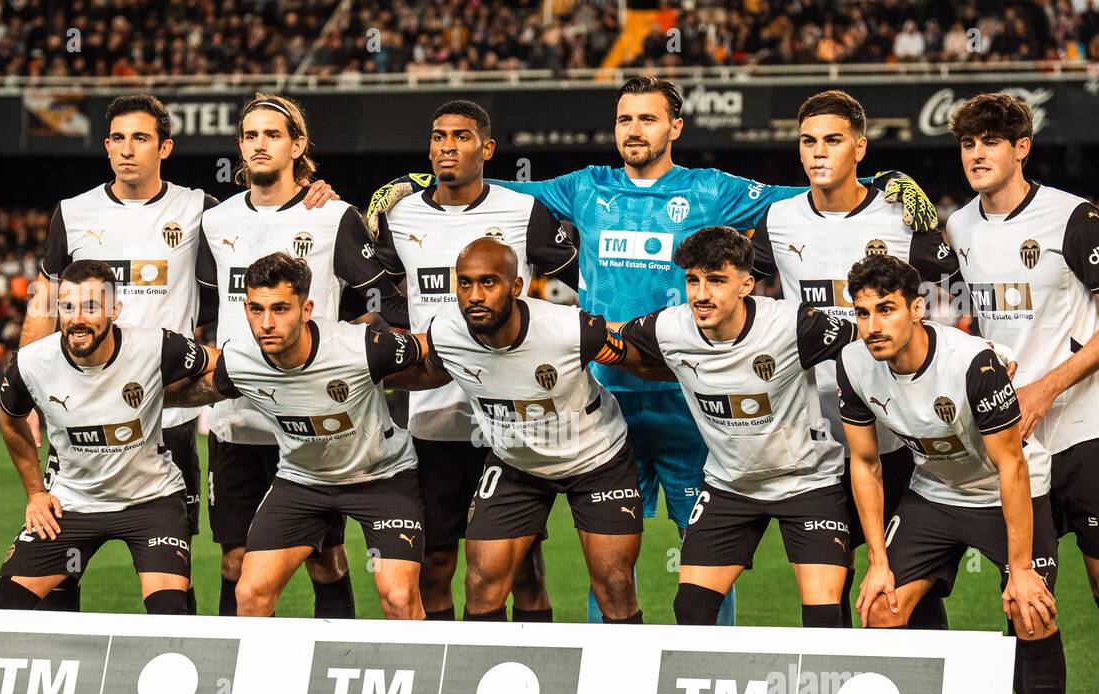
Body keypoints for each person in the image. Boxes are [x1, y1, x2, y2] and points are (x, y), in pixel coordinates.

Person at [368, 75, 937, 626]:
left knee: (709, 554)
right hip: (605, 404)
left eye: (647, 119)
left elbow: (812, 193)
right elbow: (496, 191)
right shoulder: (584, 186)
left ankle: (708, 667)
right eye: (624, 119)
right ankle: (611, 677)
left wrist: (883, 179)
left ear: (675, 128)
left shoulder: (714, 189)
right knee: (607, 562)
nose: (633, 129)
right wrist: (423, 182)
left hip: (694, 400)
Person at [25, 92, 335, 615]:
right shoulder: (73, 213)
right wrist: (32, 390)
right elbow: (43, 298)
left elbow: (263, 220)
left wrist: (312, 192)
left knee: (175, 556)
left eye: (141, 138)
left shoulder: (199, 211)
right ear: (105, 146)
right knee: (62, 551)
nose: (128, 150)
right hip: (78, 409)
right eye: (118, 138)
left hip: (168, 411)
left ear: (164, 147)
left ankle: (188, 659)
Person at [945, 93, 1099, 694]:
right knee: (1026, 593)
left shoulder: (1072, 217)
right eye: (968, 142)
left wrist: (1045, 387)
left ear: (1021, 147)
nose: (978, 153)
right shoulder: (957, 228)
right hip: (1014, 446)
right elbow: (963, 320)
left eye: (992, 141)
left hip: (1087, 429)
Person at [836, 254, 1070, 694]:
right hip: (933, 493)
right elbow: (865, 463)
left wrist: (1021, 569)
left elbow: (1011, 464)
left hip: (1008, 491)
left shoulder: (974, 364)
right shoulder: (852, 362)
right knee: (881, 610)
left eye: (887, 310)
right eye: (863, 312)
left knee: (1030, 613)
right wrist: (877, 561)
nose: (873, 326)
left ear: (917, 309)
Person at [749, 89, 956, 630]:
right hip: (816, 435)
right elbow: (745, 296)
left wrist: (928, 218)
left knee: (912, 584)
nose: (819, 152)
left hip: (896, 426)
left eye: (834, 140)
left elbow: (946, 286)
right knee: (827, 585)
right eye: (808, 141)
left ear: (860, 148)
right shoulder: (777, 220)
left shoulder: (898, 214)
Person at [196, 92, 407, 619]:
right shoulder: (216, 222)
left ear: (298, 144)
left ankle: (334, 669)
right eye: (249, 135)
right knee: (236, 560)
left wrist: (346, 357)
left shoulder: (333, 215)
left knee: (326, 558)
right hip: (239, 419)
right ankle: (236, 678)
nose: (259, 144)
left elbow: (380, 303)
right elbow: (206, 313)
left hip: (318, 422)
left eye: (272, 134)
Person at [370, 99, 579, 623]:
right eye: (439, 136)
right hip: (435, 418)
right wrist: (420, 326)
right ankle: (448, 672)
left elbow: (582, 284)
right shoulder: (402, 215)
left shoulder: (522, 211)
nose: (447, 146)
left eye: (462, 137)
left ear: (486, 148)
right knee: (436, 560)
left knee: (523, 563)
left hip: (511, 419)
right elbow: (374, 294)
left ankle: (531, 671)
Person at [601, 226, 853, 627]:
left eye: (717, 280)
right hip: (730, 486)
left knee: (825, 614)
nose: (701, 295)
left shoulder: (794, 324)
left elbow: (872, 344)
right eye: (693, 280)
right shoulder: (670, 327)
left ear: (747, 284)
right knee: (691, 608)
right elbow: (608, 336)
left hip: (808, 483)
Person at [168, 253, 437, 619]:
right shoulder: (243, 359)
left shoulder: (361, 346)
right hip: (301, 483)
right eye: (256, 309)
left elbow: (433, 352)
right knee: (249, 593)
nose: (266, 323)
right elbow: (195, 391)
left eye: (280, 309)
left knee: (399, 598)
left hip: (382, 479)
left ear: (306, 308)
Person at [404, 238, 643, 623]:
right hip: (516, 464)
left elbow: (641, 359)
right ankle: (484, 678)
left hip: (597, 459)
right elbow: (415, 369)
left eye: (488, 283)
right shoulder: (447, 333)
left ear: (516, 287)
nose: (474, 296)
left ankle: (626, 682)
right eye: (465, 284)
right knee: (482, 584)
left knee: (614, 584)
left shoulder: (568, 328)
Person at [0, 259, 210, 614]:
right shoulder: (31, 363)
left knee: (170, 609)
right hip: (72, 502)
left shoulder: (155, 346)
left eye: (91, 306)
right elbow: (10, 418)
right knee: (6, 604)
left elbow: (216, 365)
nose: (77, 318)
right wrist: (35, 492)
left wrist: (175, 394)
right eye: (68, 306)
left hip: (151, 500)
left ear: (114, 310)